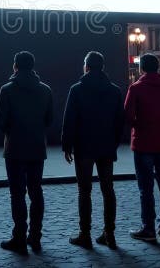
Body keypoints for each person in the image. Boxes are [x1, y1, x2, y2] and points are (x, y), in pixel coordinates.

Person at [61, 51, 124, 249]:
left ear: (86, 66)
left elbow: (69, 120)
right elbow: (119, 121)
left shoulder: (77, 89)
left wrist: (67, 145)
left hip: (84, 146)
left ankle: (85, 234)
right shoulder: (114, 90)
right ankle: (109, 233)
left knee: (84, 191)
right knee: (108, 190)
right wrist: (114, 142)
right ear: (102, 67)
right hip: (106, 146)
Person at [0, 51, 53, 255]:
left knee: (17, 194)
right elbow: (49, 120)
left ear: (15, 66)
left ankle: (19, 236)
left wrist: (13, 130)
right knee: (36, 192)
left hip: (15, 148)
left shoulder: (7, 90)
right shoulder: (46, 90)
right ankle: (35, 237)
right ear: (33, 66)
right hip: (37, 147)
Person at [124, 53, 160, 242]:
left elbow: (128, 115)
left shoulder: (136, 88)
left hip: (143, 143)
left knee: (145, 188)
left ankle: (148, 227)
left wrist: (140, 126)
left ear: (142, 69)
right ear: (158, 68)